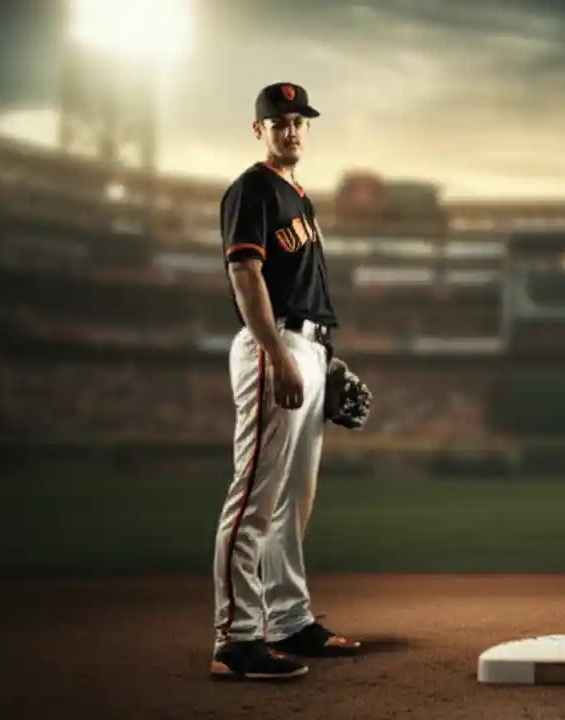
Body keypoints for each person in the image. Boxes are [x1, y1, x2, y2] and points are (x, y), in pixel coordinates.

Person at [210, 82, 360, 680]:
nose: (291, 129)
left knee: (293, 500)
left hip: (308, 346)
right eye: (279, 122)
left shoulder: (300, 198)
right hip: (274, 345)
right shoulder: (252, 188)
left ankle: (288, 621)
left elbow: (305, 289)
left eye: (298, 121)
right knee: (254, 497)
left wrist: (328, 360)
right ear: (259, 131)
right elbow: (246, 273)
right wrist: (277, 352)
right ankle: (235, 638)